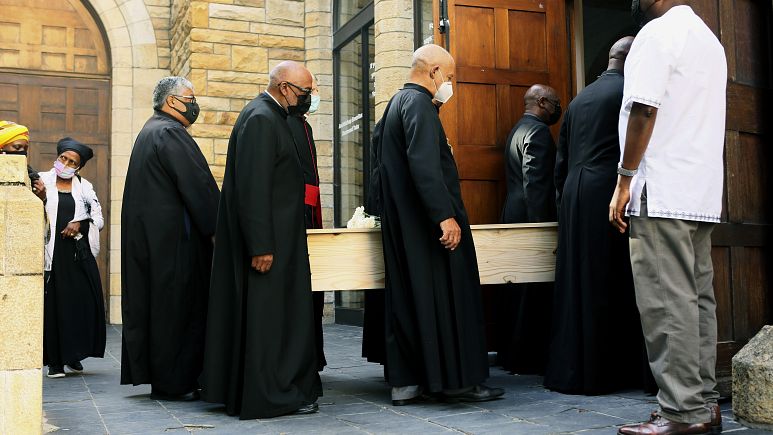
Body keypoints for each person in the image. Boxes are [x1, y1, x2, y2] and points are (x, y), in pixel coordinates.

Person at [610, 2, 727, 434]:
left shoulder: (657, 35)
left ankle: (681, 412)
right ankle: (704, 404)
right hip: (698, 192)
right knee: (697, 301)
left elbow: (644, 108)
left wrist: (624, 180)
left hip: (660, 189)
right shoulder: (710, 42)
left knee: (666, 303)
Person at [371, 44, 503, 406]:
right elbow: (424, 164)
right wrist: (444, 215)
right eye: (450, 76)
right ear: (432, 73)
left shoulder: (395, 105)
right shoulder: (418, 105)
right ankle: (459, 382)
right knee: (450, 299)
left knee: (416, 302)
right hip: (430, 226)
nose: (450, 83)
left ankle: (412, 382)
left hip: (406, 226)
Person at [200, 61, 321, 419]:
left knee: (273, 319)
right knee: (266, 322)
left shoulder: (271, 116)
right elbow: (253, 188)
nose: (308, 98)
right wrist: (261, 245)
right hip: (268, 246)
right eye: (304, 92)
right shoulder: (261, 119)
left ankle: (276, 389)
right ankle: (268, 394)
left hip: (279, 239)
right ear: (285, 88)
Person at [544, 36, 653, 395]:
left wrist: (565, 202)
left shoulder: (578, 99)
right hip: (611, 191)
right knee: (618, 279)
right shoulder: (631, 92)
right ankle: (619, 371)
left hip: (575, 192)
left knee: (579, 282)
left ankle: (578, 371)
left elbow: (561, 162)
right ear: (632, 58)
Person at [120, 77, 219, 401]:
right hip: (177, 247)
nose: (194, 104)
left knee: (163, 313)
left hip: (158, 245)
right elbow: (199, 187)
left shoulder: (152, 131)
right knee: (181, 313)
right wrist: (218, 227)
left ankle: (167, 379)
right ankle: (178, 381)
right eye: (190, 98)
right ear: (172, 101)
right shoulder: (169, 133)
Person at [496, 84, 561, 375]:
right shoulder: (538, 132)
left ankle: (512, 354)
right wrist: (542, 227)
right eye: (556, 103)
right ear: (543, 102)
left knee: (517, 291)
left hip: (513, 216)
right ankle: (526, 358)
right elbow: (535, 183)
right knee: (530, 292)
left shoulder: (517, 129)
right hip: (529, 221)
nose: (558, 110)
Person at [40, 137, 105, 378]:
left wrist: (81, 222)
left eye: (72, 162)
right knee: (55, 306)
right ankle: (55, 362)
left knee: (82, 303)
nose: (65, 164)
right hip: (52, 254)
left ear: (78, 167)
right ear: (57, 158)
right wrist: (42, 198)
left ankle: (73, 353)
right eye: (63, 158)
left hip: (78, 255)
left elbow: (98, 219)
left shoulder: (84, 187)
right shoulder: (41, 182)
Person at [286, 74, 327, 372]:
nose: (316, 94)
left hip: (310, 216)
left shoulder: (304, 125)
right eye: (312, 89)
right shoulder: (286, 124)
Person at [0, 121, 46, 200]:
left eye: (25, 149)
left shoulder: (31, 176)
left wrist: (41, 197)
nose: (22, 152)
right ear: (1, 149)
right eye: (17, 147)